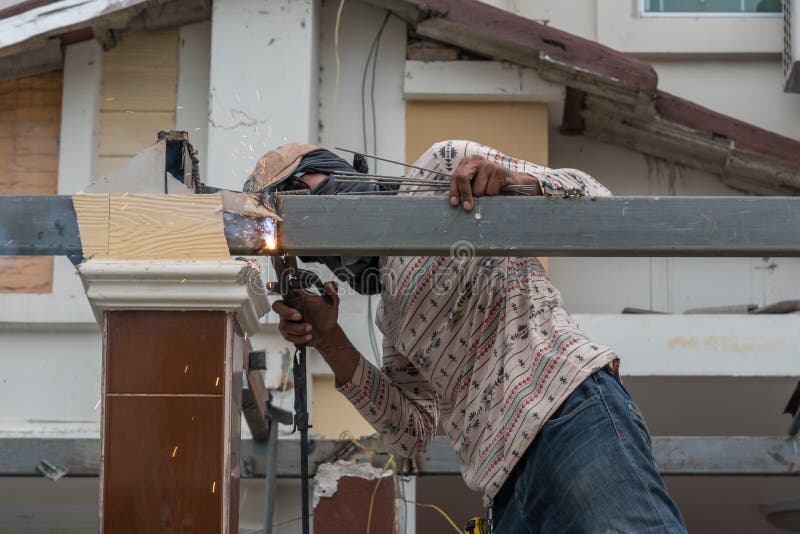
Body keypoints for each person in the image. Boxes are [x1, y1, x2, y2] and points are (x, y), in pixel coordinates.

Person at [264, 140, 687, 533]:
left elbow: (596, 198)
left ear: (328, 173)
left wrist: (514, 182)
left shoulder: (439, 167)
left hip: (566, 414)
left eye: (307, 200)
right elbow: (413, 432)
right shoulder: (391, 318)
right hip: (503, 491)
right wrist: (329, 340)